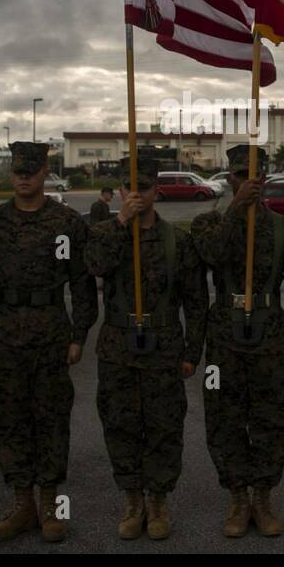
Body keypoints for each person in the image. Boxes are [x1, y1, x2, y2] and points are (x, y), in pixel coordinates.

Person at [0, 141, 96, 543]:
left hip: (50, 330)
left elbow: (83, 283)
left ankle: (51, 506)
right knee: (8, 417)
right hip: (5, 330)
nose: (23, 177)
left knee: (51, 417)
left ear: (44, 173)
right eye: (18, 172)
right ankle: (23, 505)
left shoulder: (67, 223)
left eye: (31, 171)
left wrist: (79, 335)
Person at [189, 144, 284, 538]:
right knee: (224, 416)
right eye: (239, 176)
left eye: (253, 177)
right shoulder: (209, 225)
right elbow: (210, 256)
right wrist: (237, 208)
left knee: (271, 417)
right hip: (224, 334)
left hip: (270, 332)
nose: (247, 183)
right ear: (229, 178)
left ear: (264, 179)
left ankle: (262, 496)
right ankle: (237, 497)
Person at [83, 155, 207, 540]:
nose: (138, 194)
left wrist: (192, 352)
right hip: (118, 346)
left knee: (163, 426)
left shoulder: (177, 240)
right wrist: (121, 222)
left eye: (146, 188)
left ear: (158, 190)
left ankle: (158, 502)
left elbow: (196, 300)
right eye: (129, 188)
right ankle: (132, 500)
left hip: (163, 347)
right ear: (120, 192)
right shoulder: (105, 232)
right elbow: (95, 267)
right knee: (120, 425)